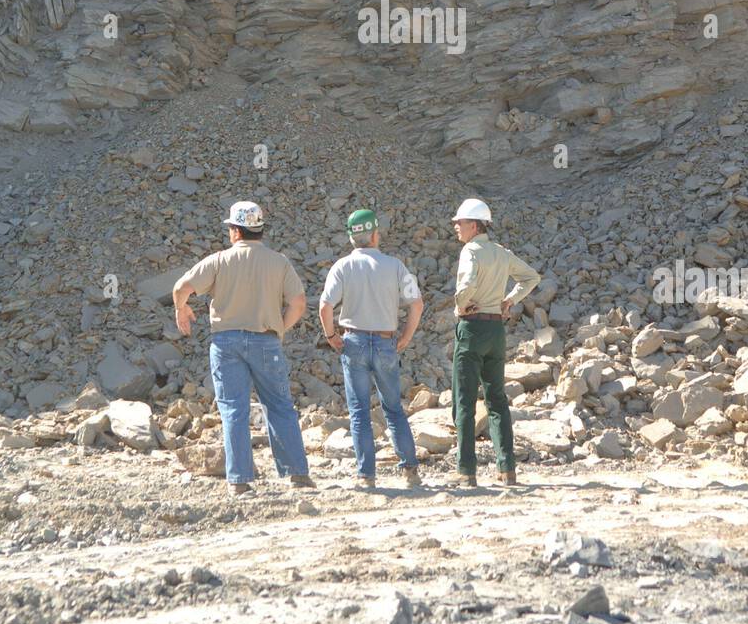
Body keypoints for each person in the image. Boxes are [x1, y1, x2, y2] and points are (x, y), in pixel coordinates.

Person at [172, 199, 312, 496]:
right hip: (266, 340)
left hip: (226, 342)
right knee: (279, 406)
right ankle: (297, 474)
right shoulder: (279, 262)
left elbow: (181, 288)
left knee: (233, 409)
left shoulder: (219, 260)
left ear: (235, 230)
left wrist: (181, 310)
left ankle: (239, 480)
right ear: (259, 230)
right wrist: (279, 328)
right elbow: (299, 303)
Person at [319, 208, 424, 490]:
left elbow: (325, 306)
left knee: (359, 411)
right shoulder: (395, 266)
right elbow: (417, 303)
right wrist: (406, 336)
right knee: (393, 409)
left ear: (352, 238)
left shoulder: (342, 267)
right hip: (386, 341)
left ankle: (366, 475)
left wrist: (331, 335)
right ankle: (410, 470)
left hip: (353, 342)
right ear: (376, 234)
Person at [450, 198, 541, 488]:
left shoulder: (470, 251)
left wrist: (460, 307)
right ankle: (507, 469)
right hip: (496, 331)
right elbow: (531, 277)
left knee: (464, 401)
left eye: (460, 222)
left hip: (472, 329)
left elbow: (466, 285)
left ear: (474, 225)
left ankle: (466, 470)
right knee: (497, 400)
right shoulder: (502, 253)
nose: (456, 226)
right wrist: (509, 301)